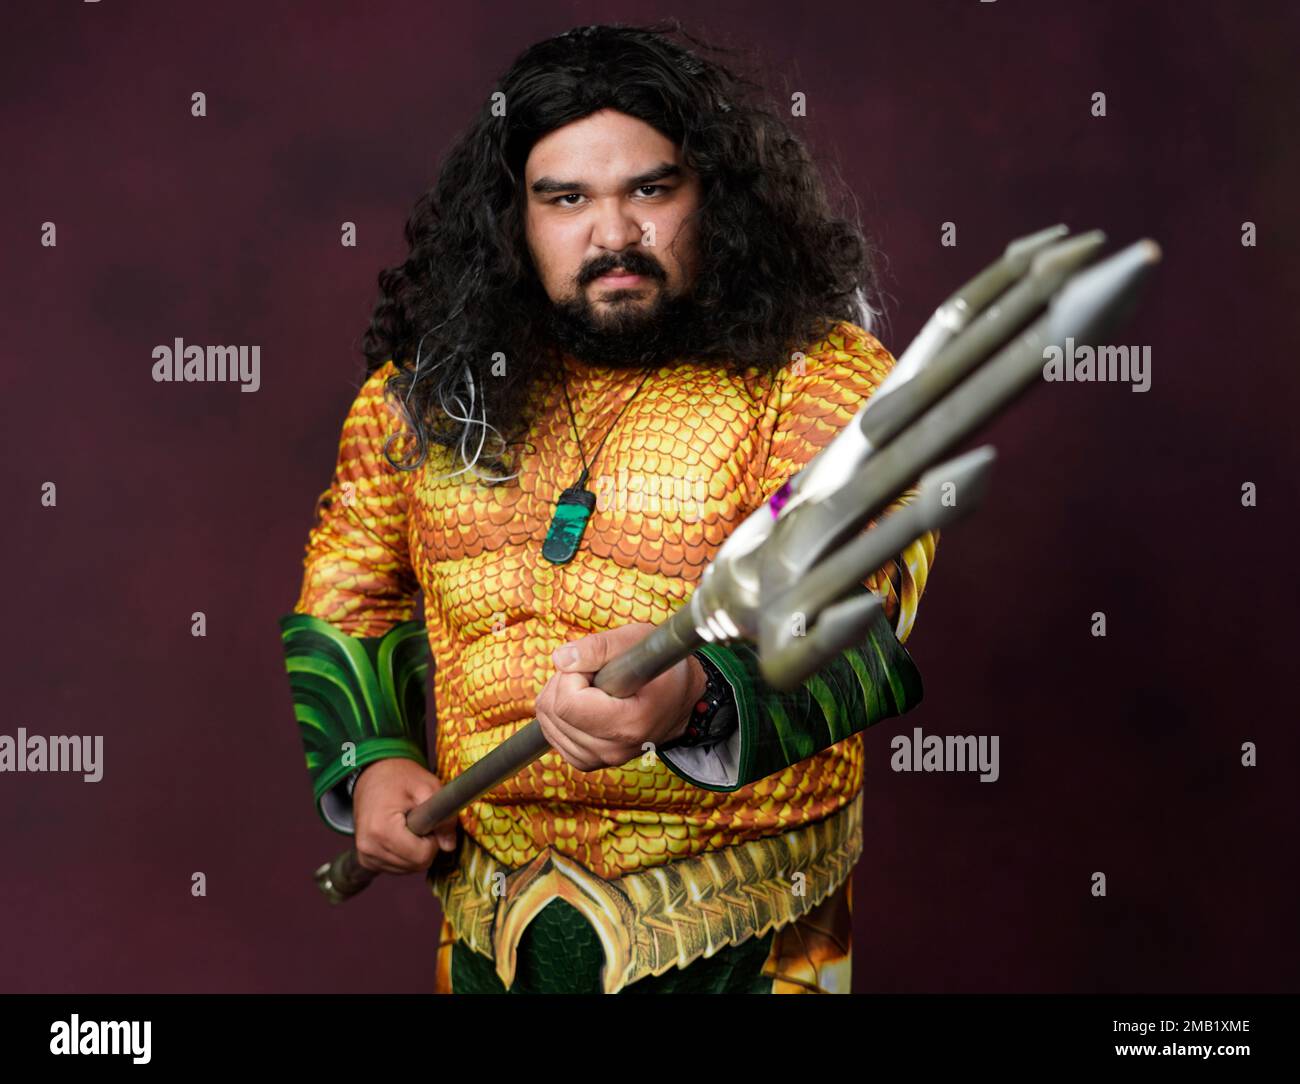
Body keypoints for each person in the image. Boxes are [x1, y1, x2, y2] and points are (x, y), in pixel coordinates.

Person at [279, 21, 939, 994]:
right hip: (488, 932)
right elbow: (347, 594)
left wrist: (693, 697)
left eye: (650, 189)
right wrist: (369, 758)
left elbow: (857, 612)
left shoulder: (824, 380)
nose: (614, 235)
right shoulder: (422, 397)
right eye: (566, 199)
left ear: (713, 195)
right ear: (513, 220)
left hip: (750, 936)